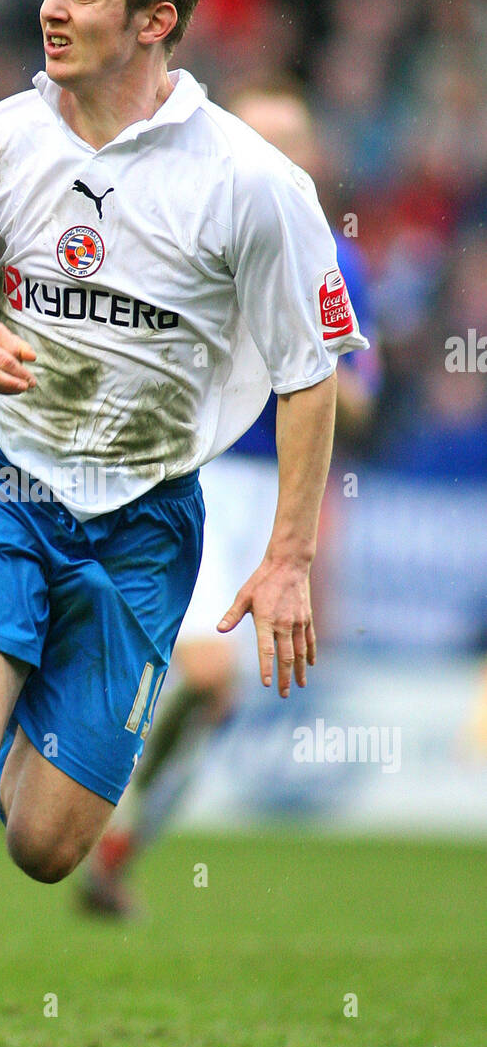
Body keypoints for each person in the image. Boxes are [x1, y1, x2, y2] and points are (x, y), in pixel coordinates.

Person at [0, 0, 368, 1047]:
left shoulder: (251, 182)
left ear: (155, 19)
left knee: (42, 847)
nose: (49, 6)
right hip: (3, 481)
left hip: (143, 524)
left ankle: (32, 700)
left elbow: (310, 371)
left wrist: (288, 554)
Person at [78, 82, 381, 917]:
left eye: (293, 140)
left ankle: (114, 849)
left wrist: (310, 362)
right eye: (262, 137)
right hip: (184, 471)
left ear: (313, 159)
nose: (278, 155)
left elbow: (354, 398)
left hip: (270, 495)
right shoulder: (190, 230)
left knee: (217, 693)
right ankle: (73, 790)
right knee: (201, 671)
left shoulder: (335, 260)